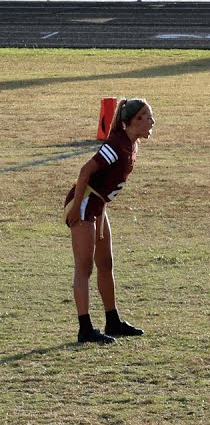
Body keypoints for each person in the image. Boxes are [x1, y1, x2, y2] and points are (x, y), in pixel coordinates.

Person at [63, 98, 154, 344]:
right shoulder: (116, 145)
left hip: (98, 205)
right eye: (146, 117)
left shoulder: (131, 144)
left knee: (106, 263)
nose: (152, 122)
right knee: (84, 267)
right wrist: (76, 210)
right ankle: (85, 329)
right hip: (84, 204)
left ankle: (112, 320)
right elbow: (85, 172)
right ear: (133, 121)